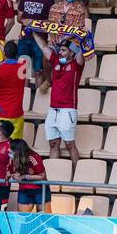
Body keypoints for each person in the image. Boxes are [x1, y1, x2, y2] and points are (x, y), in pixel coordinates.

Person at [38, 34, 83, 162]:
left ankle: (76, 175)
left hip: (68, 110)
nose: (60, 52)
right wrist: (33, 30)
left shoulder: (77, 64)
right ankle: (53, 176)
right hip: (53, 110)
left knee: (70, 145)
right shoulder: (56, 61)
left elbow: (81, 51)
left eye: (63, 50)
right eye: (60, 50)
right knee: (53, 144)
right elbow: (42, 46)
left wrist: (76, 37)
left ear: (71, 53)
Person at [0, 41, 29, 141]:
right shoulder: (23, 66)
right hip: (16, 113)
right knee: (15, 148)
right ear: (16, 54)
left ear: (4, 53)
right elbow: (11, 55)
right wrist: (0, 44)